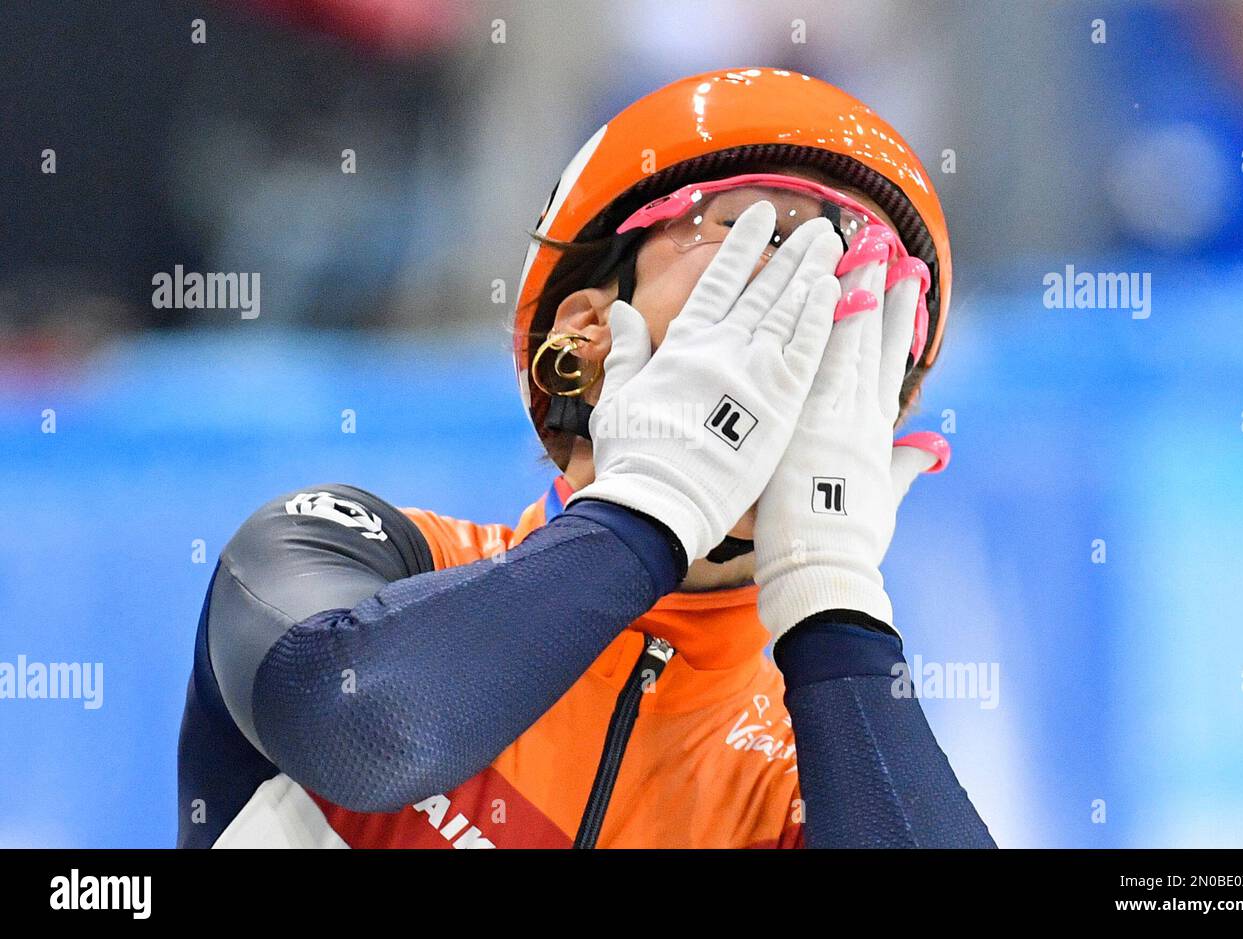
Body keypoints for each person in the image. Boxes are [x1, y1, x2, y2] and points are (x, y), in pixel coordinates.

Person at [177, 67, 995, 849]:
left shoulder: (817, 769)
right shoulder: (356, 555)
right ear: (585, 334)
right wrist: (657, 499)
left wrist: (833, 593)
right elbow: (369, 733)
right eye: (761, 240)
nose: (814, 316)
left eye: (866, 297)